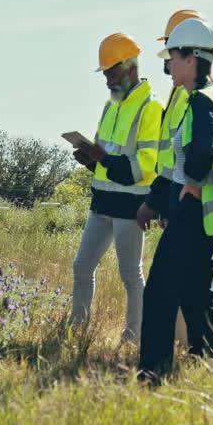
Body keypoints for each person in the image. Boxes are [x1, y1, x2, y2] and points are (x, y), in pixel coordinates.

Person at [135, 18, 213, 381]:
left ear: (191, 58)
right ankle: (208, 360)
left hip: (193, 213)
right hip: (198, 214)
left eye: (172, 56)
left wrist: (191, 182)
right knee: (194, 290)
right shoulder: (201, 98)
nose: (168, 64)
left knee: (160, 291)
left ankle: (153, 373)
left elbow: (209, 147)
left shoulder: (201, 102)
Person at [70, 33, 163, 343]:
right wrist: (89, 159)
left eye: (111, 72)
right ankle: (76, 330)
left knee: (131, 277)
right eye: (106, 73)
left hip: (130, 207)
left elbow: (142, 168)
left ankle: (133, 338)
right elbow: (106, 162)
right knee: (82, 266)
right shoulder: (111, 107)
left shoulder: (151, 109)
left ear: (130, 66)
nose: (107, 80)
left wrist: (103, 159)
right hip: (102, 204)